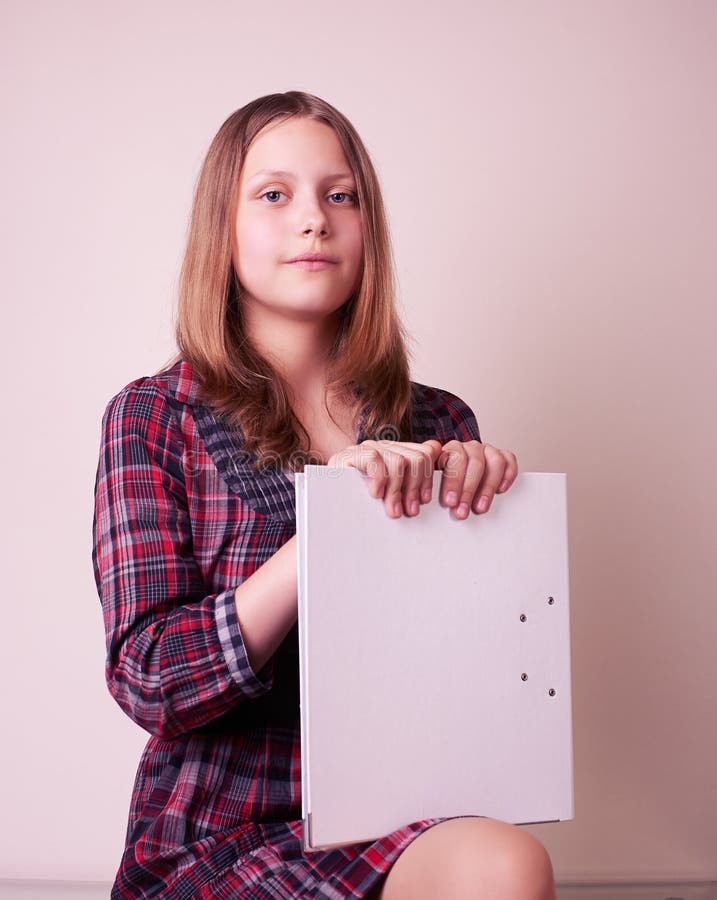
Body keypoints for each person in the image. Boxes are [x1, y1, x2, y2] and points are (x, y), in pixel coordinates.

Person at [92, 91, 556, 899]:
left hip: (405, 815)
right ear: (222, 228)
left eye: (339, 195)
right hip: (219, 830)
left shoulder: (439, 421)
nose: (314, 219)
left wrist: (491, 532)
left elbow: (465, 685)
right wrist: (327, 536)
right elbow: (150, 679)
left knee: (507, 859)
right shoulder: (153, 416)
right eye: (274, 195)